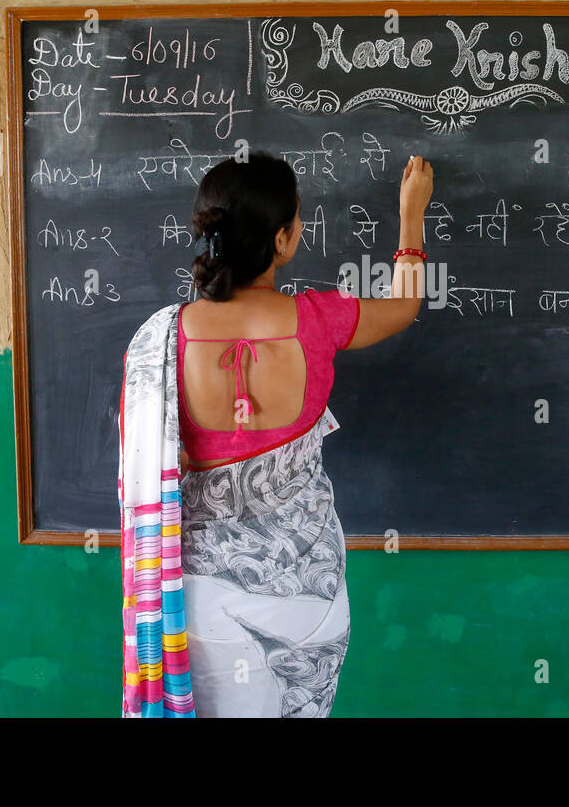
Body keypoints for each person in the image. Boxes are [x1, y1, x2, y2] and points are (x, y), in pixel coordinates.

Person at [119, 151, 434, 717]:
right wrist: (411, 221)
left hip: (203, 596)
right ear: (284, 240)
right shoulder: (320, 319)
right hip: (308, 593)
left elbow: (147, 466)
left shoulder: (164, 339)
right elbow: (406, 306)